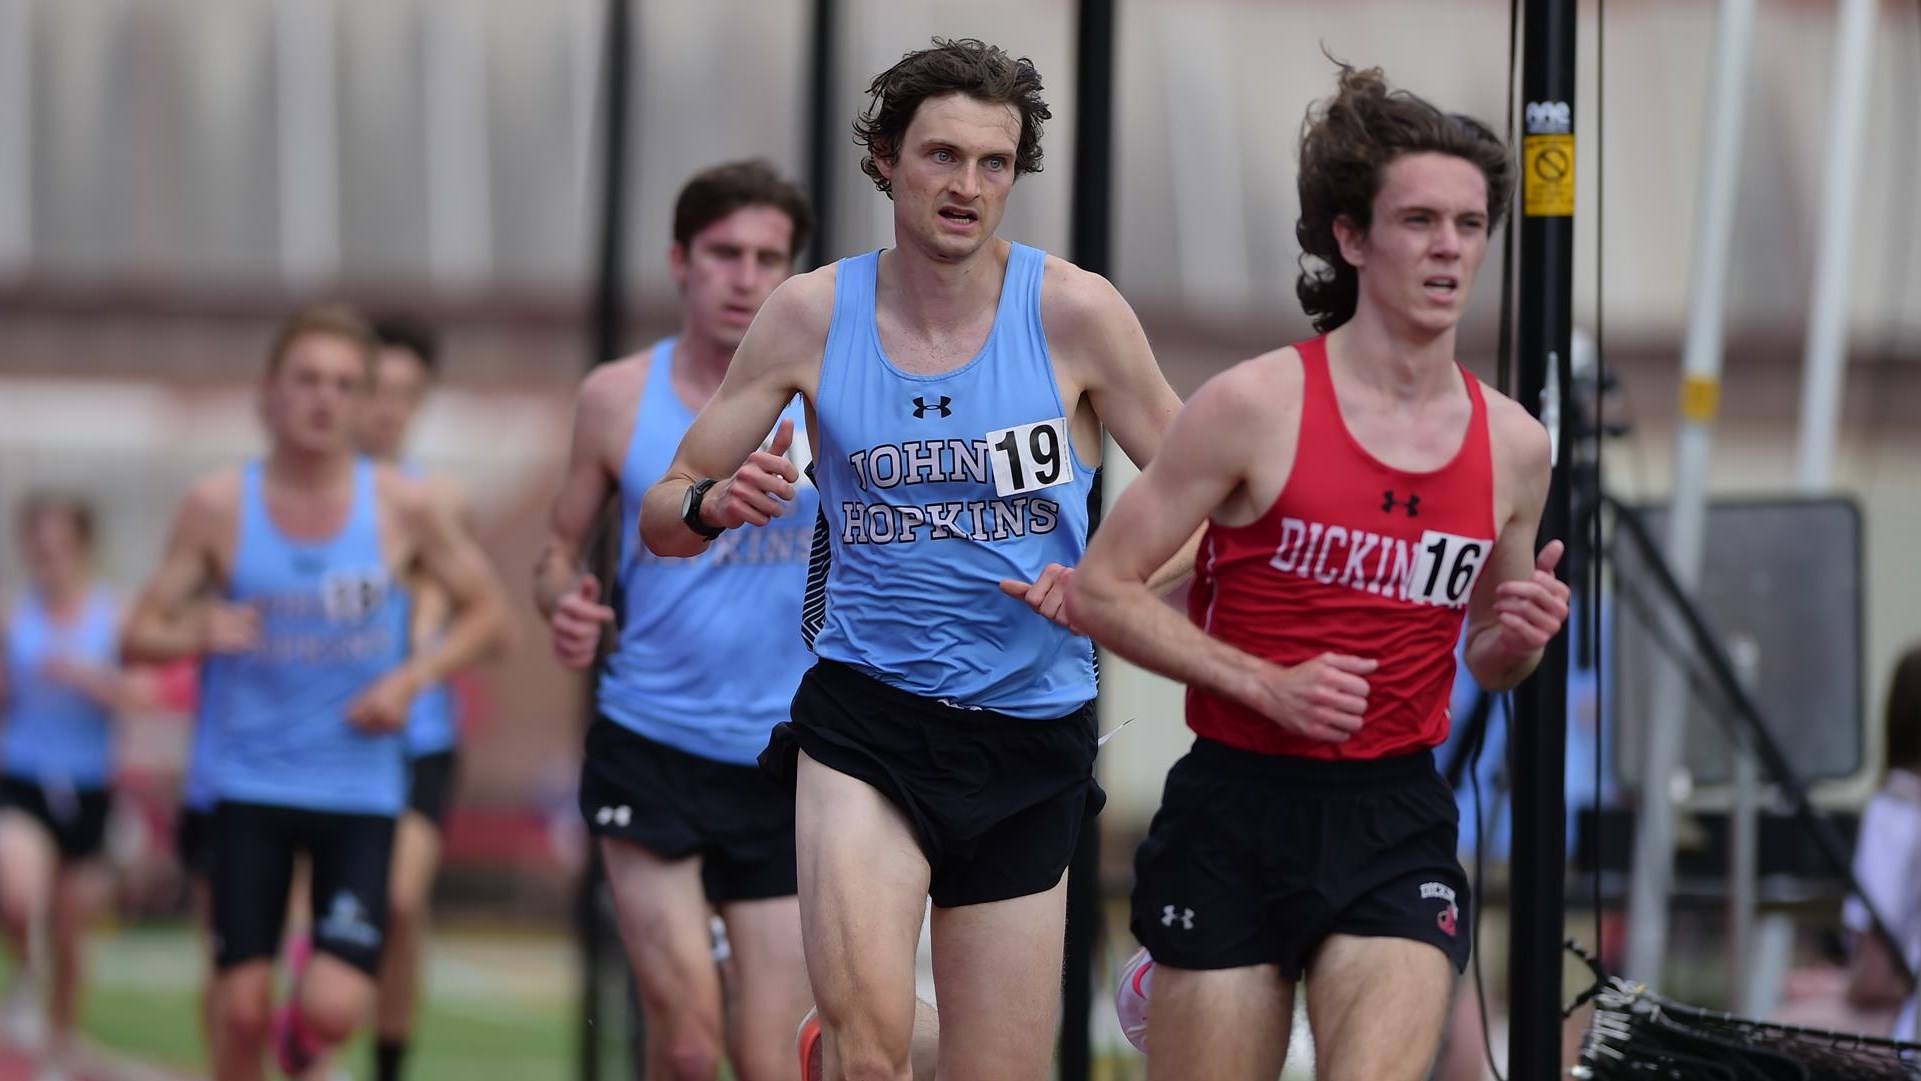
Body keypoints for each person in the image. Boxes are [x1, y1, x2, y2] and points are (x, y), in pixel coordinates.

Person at [639, 40, 1189, 1081]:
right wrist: (717, 501)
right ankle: (854, 1040)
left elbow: (1212, 501)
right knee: (868, 1056)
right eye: (942, 156)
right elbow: (662, 513)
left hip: (1030, 734)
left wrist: (1112, 586)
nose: (968, 186)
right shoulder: (810, 313)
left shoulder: (1073, 313)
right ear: (886, 159)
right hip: (869, 724)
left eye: (995, 163)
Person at [1066, 63, 1570, 1081]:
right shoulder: (1252, 407)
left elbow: (1490, 651)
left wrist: (1512, 643)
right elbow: (1099, 588)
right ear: (1351, 237)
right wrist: (1263, 683)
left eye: (1470, 226)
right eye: (1419, 220)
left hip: (1395, 817)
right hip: (1234, 808)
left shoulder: (1514, 446)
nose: (1447, 248)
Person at [540, 160, 935, 1081]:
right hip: (653, 736)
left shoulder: (835, 393)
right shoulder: (614, 398)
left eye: (768, 257)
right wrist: (561, 600)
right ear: (681, 260)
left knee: (770, 1056)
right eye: (724, 253)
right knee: (683, 1043)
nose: (746, 276)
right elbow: (557, 549)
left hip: (786, 755)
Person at [121, 303, 513, 1081]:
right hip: (248, 781)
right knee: (237, 1009)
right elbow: (138, 631)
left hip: (360, 786)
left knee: (332, 1008)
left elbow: (489, 612)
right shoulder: (219, 507)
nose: (324, 399)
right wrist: (199, 630)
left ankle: (306, 1040)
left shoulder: (405, 507)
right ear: (270, 392)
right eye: (307, 379)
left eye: (344, 383)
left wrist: (410, 677)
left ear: (366, 400)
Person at [356, 314, 483, 1081]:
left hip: (418, 732)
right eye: (377, 388)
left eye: (408, 392)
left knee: (400, 903)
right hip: (327, 731)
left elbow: (451, 599)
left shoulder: (439, 499)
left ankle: (387, 1062)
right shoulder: (304, 496)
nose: (390, 407)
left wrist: (423, 642)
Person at [0, 494, 139, 1072]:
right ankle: (28, 980)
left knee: (69, 931)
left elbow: (145, 694)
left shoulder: (115, 614)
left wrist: (92, 680)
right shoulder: (14, 615)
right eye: (38, 544)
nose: (47, 556)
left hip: (86, 786)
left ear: (82, 547)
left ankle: (58, 1039)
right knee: (19, 891)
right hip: (22, 776)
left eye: (59, 544)